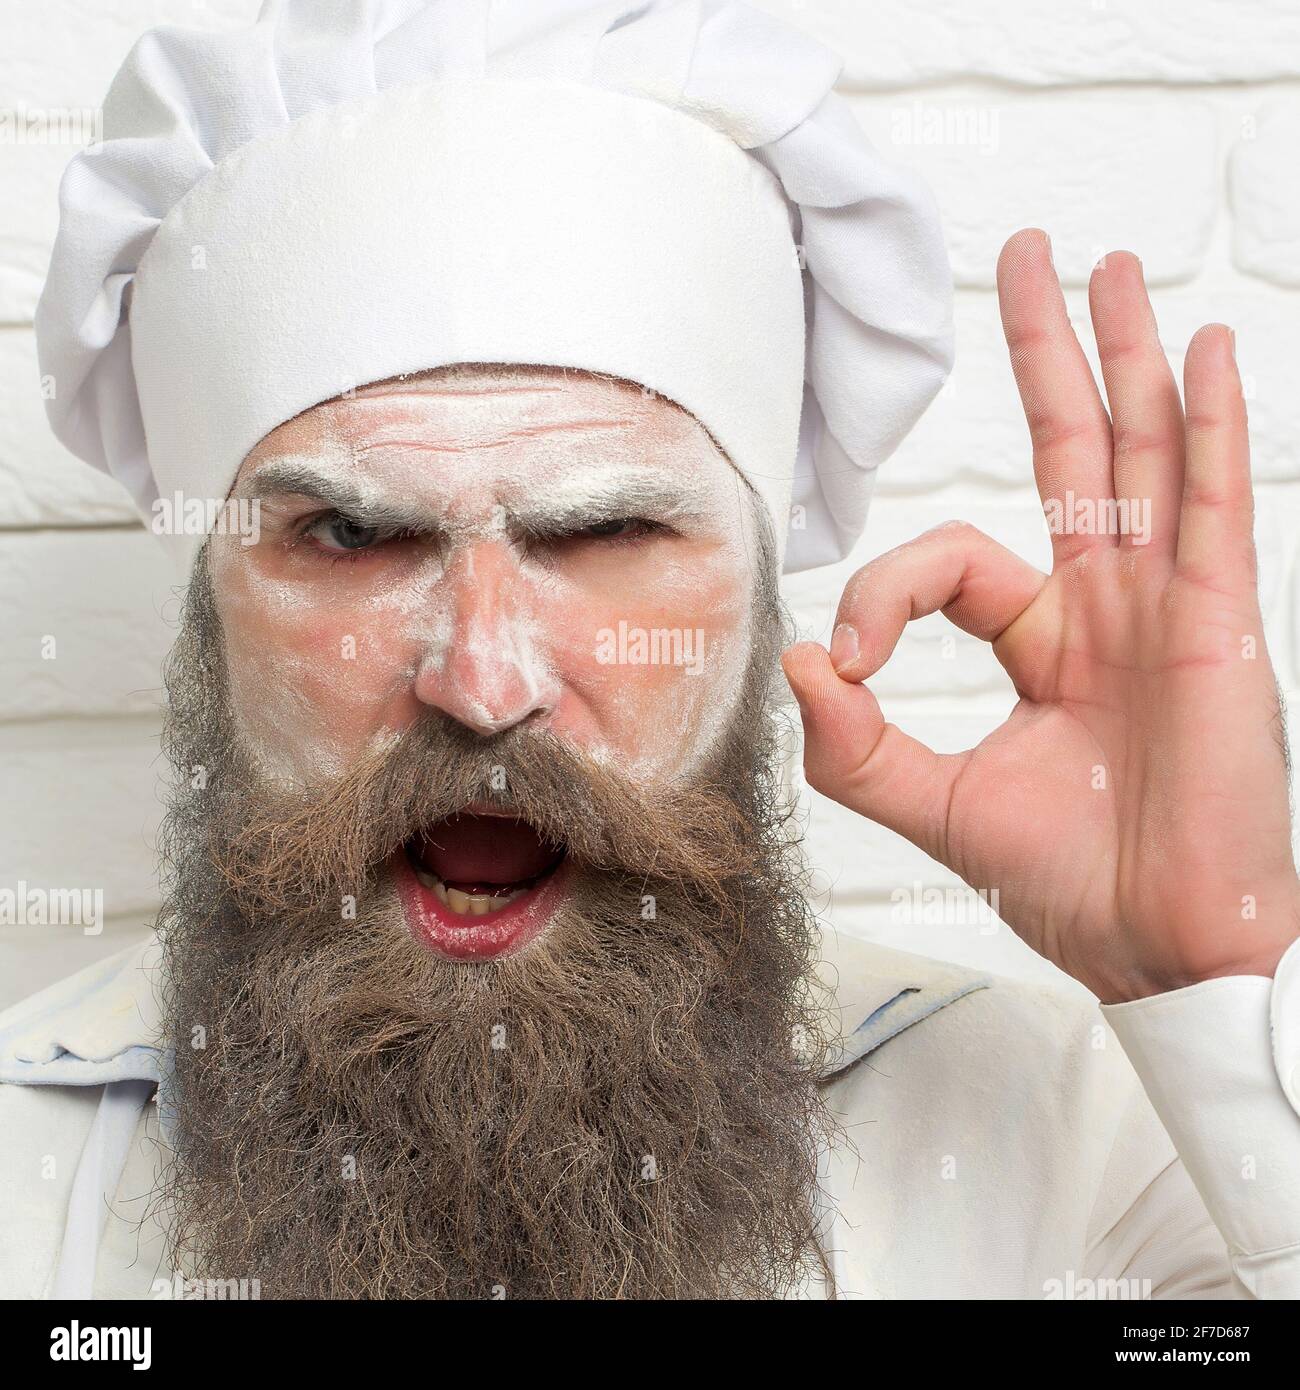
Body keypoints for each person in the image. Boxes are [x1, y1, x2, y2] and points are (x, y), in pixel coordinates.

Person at [2, 0, 1296, 1299]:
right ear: (208, 614)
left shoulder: (1078, 1143)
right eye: (349, 531)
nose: (485, 681)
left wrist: (1215, 974)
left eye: (608, 525)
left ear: (759, 610)